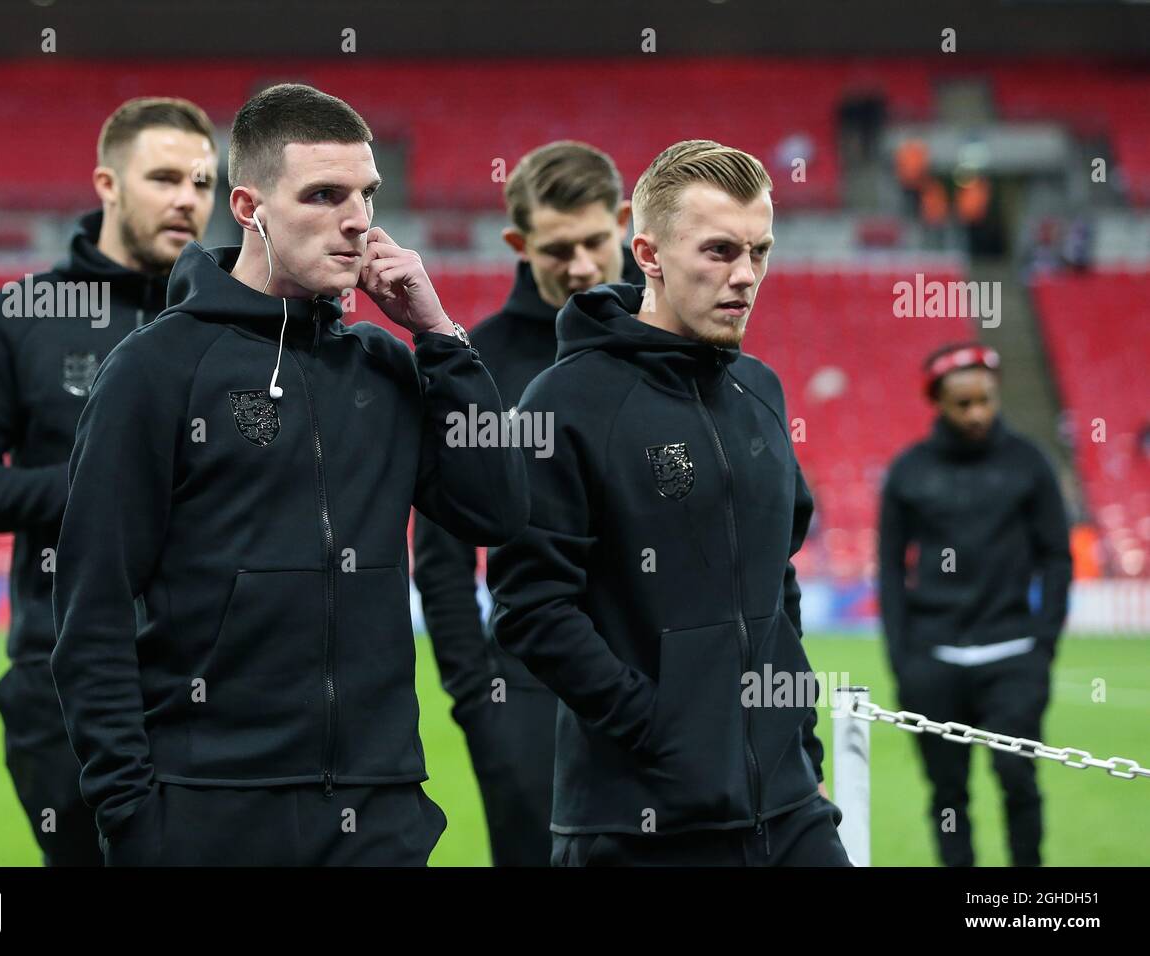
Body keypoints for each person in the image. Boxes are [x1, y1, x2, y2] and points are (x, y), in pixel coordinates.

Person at [49, 82, 528, 866]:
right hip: (210, 812)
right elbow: (92, 607)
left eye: (367, 195)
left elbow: (500, 512)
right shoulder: (155, 369)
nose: (358, 220)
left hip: (380, 812)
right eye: (324, 195)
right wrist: (133, 815)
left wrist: (442, 339)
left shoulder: (384, 366)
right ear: (249, 206)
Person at [488, 140, 847, 867]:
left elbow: (776, 578)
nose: (745, 276)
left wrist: (796, 726)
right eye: (718, 250)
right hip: (641, 822)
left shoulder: (762, 393)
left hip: (787, 806)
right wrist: (659, 725)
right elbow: (529, 606)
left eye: (759, 251)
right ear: (647, 253)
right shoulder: (564, 402)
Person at [0, 97, 218, 866]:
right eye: (163, 177)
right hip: (63, 682)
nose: (187, 198)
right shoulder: (23, 315)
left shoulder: (237, 321)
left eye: (202, 182)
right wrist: (103, 489)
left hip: (217, 683)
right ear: (107, 183)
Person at [413, 140, 640, 866]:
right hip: (527, 697)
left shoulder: (678, 336)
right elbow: (442, 559)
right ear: (517, 243)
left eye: (595, 242)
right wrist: (477, 706)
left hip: (668, 674)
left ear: (628, 222)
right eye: (556, 248)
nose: (578, 266)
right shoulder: (477, 365)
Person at [879, 342, 1072, 867]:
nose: (977, 414)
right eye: (963, 404)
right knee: (947, 793)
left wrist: (1042, 647)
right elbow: (891, 571)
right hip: (932, 660)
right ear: (937, 401)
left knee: (1018, 780)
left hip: (1013, 655)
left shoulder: (1029, 463)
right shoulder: (909, 471)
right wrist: (904, 659)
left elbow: (1057, 556)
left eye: (985, 400)